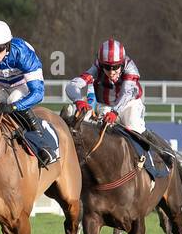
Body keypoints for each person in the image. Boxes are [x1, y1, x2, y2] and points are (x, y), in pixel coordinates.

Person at [66, 38, 175, 171]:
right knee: (90, 128)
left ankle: (162, 153)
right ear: (101, 64)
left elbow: (126, 93)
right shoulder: (97, 67)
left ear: (122, 64)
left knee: (133, 126)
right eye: (107, 67)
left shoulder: (131, 69)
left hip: (129, 103)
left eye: (115, 67)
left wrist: (115, 112)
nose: (111, 72)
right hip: (106, 105)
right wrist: (78, 100)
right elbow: (73, 85)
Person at [0, 19, 56, 166]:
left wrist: (14, 107)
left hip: (21, 85)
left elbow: (38, 93)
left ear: (8, 45)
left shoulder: (22, 54)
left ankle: (42, 144)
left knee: (14, 98)